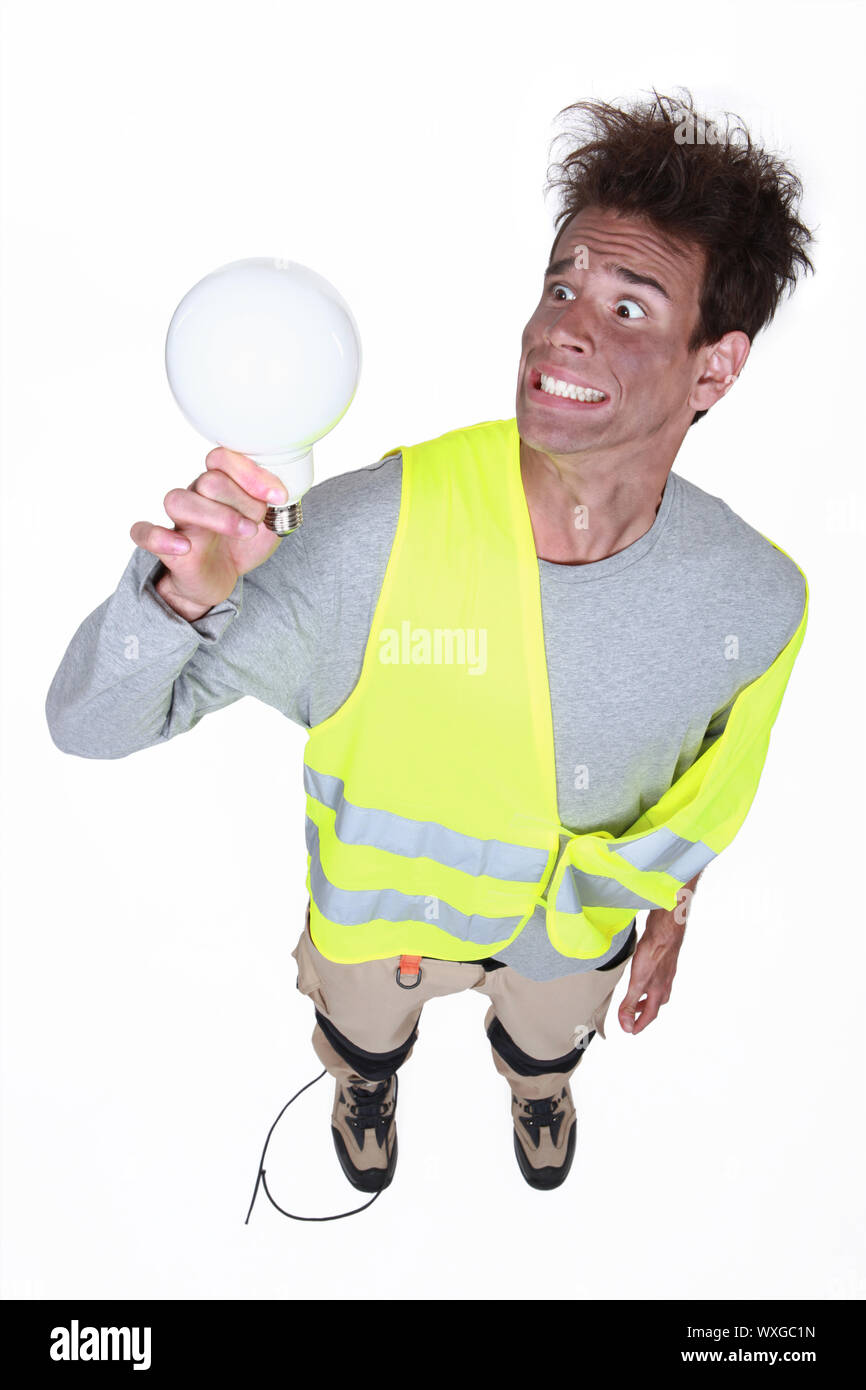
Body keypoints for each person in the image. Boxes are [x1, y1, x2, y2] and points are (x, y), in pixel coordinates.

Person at [45, 89, 814, 1194]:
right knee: (364, 1032)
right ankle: (364, 1078)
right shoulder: (362, 541)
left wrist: (670, 910)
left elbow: (697, 792)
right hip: (378, 937)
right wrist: (175, 600)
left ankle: (540, 1079)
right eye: (560, 285)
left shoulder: (757, 599)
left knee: (547, 1033)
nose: (562, 326)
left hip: (564, 946)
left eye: (629, 307)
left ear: (715, 368)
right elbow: (87, 724)